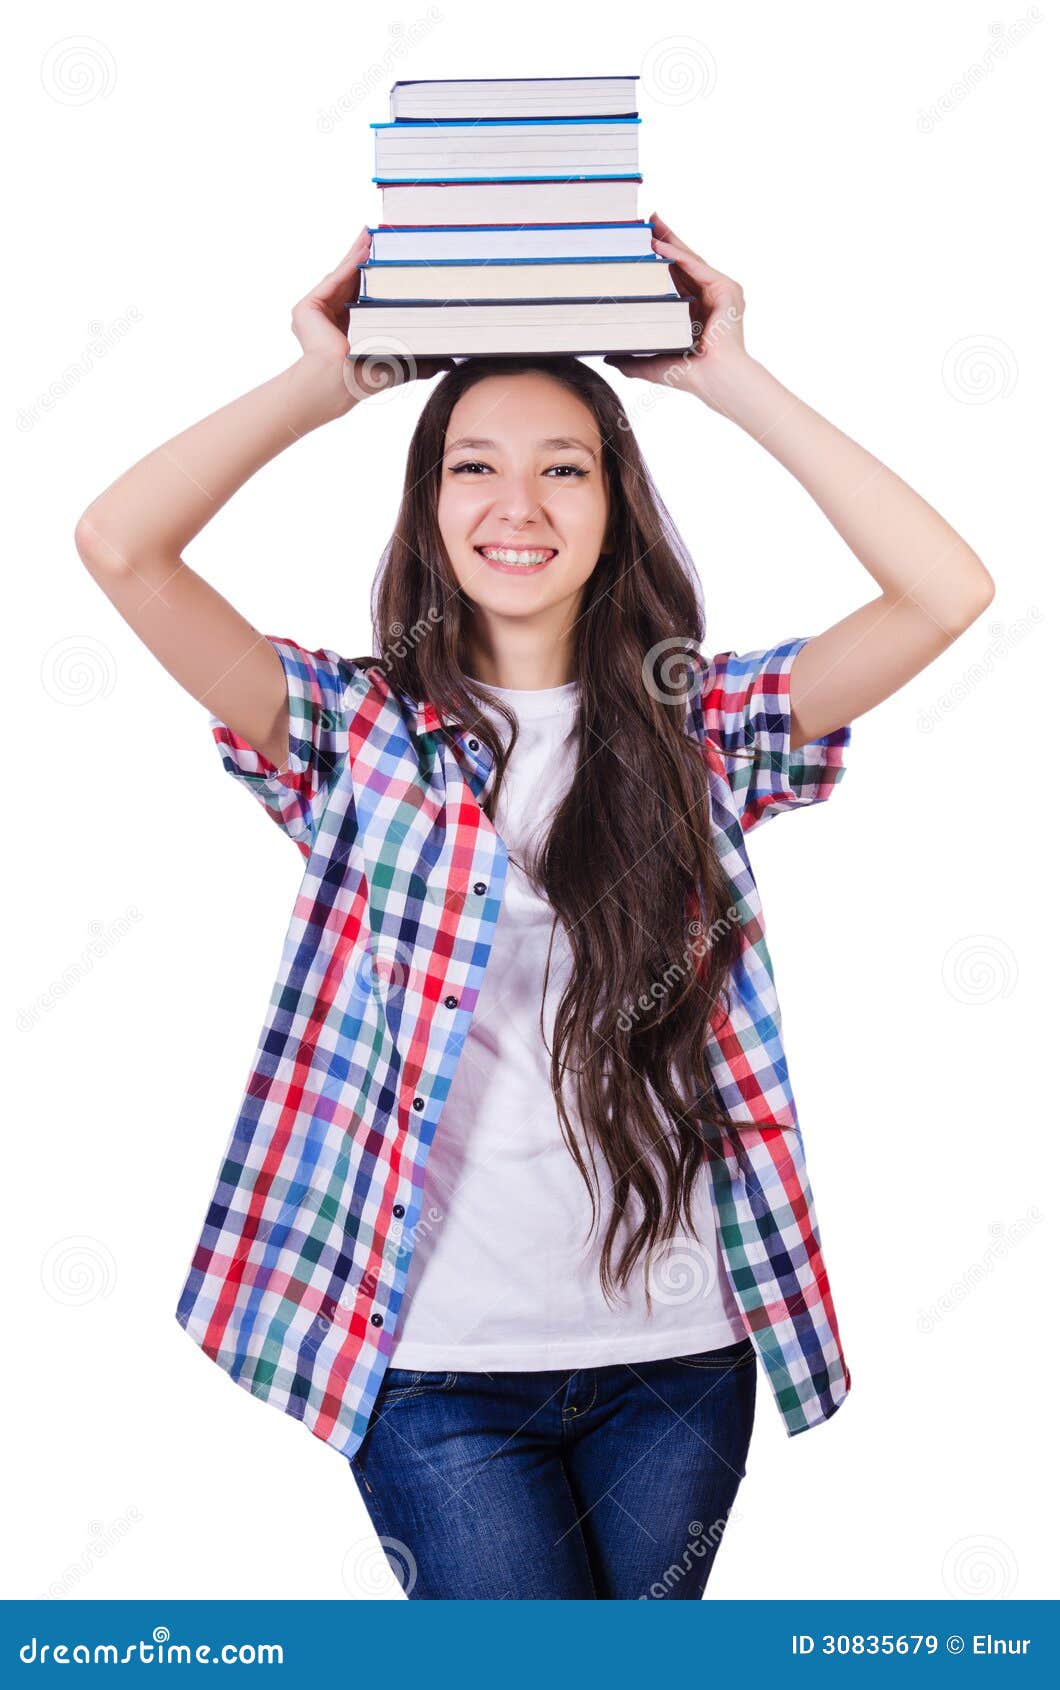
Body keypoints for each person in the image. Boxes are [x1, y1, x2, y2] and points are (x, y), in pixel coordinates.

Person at [74, 214, 995, 1601]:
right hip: (434, 1368)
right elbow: (120, 545)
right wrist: (324, 380)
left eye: (565, 468)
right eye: (476, 468)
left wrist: (726, 376)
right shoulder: (349, 730)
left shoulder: (705, 724)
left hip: (678, 1358)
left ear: (616, 503)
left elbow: (948, 591)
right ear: (430, 506)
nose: (520, 505)